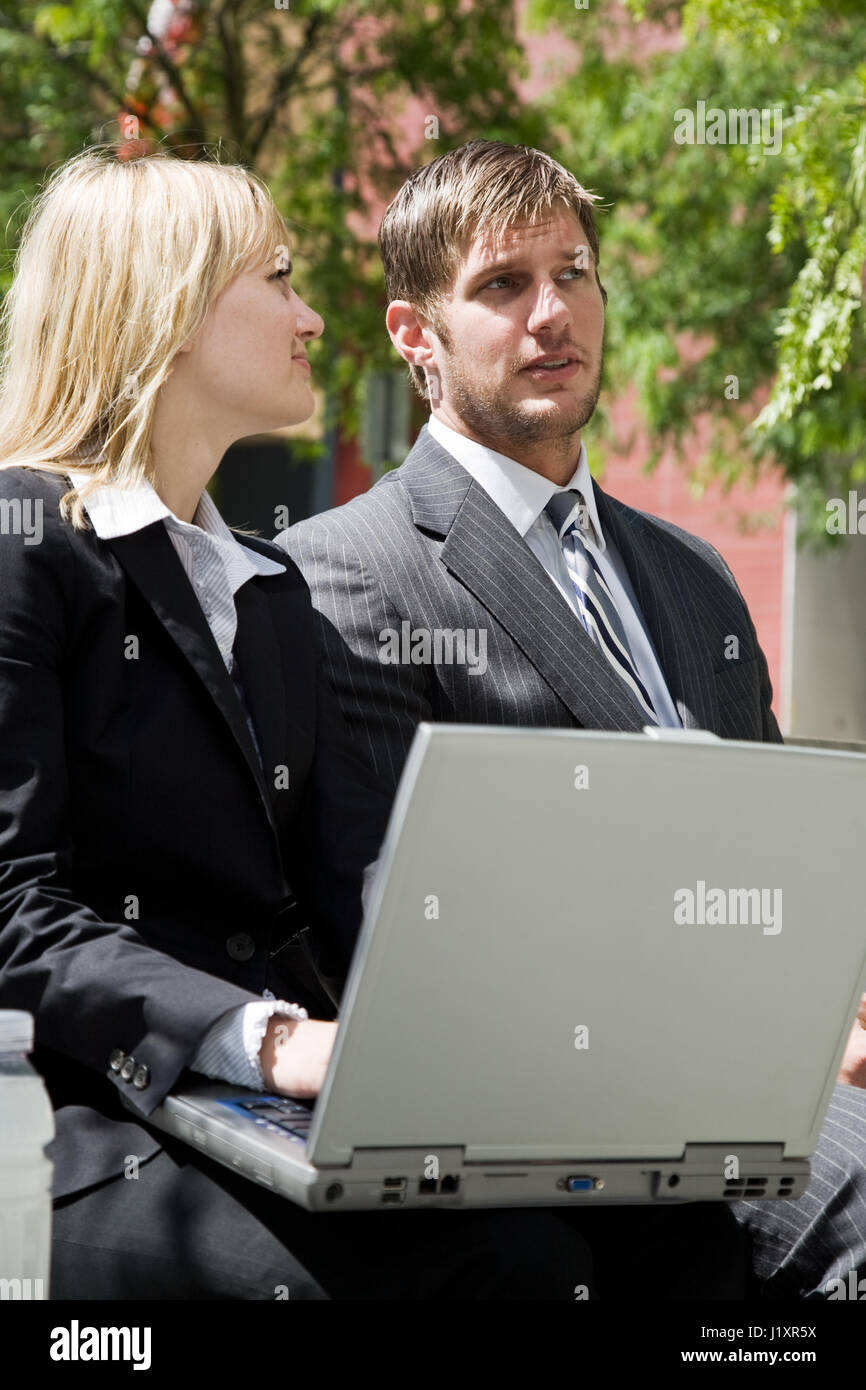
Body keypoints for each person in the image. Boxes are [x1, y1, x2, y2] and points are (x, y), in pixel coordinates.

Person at [0, 145, 601, 1300]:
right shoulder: (28, 543)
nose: (313, 316)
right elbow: (11, 909)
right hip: (77, 1125)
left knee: (602, 1247)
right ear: (165, 307)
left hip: (269, 1117)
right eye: (277, 277)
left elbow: (349, 883)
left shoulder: (268, 590)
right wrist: (265, 1039)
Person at [280, 139, 866, 1300]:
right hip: (558, 1128)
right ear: (414, 335)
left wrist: (827, 1003)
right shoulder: (339, 576)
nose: (552, 313)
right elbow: (398, 949)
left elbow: (766, 857)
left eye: (575, 273)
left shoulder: (693, 576)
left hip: (765, 1081)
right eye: (502, 284)